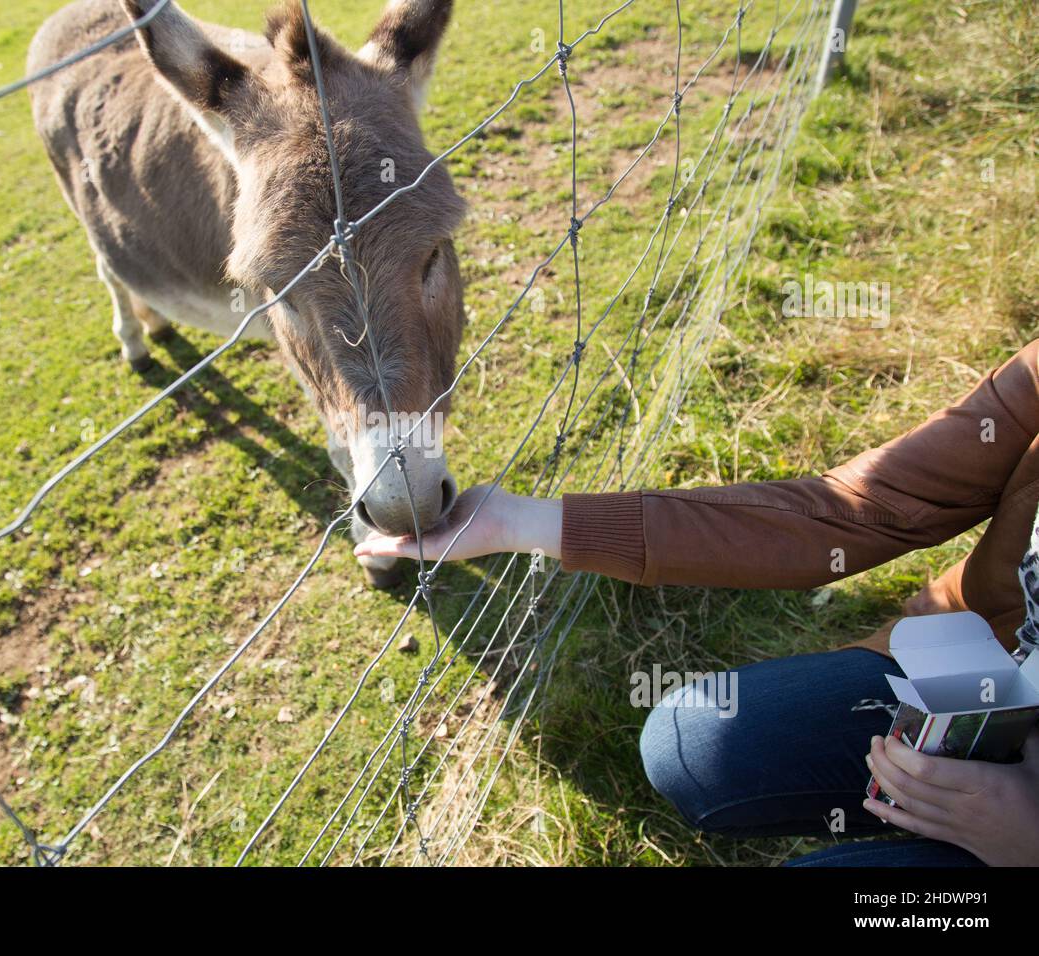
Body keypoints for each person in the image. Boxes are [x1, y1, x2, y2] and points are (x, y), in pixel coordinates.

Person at [356, 340, 1039, 866]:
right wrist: (524, 524)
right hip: (992, 681)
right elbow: (853, 513)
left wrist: (1022, 833)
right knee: (695, 741)